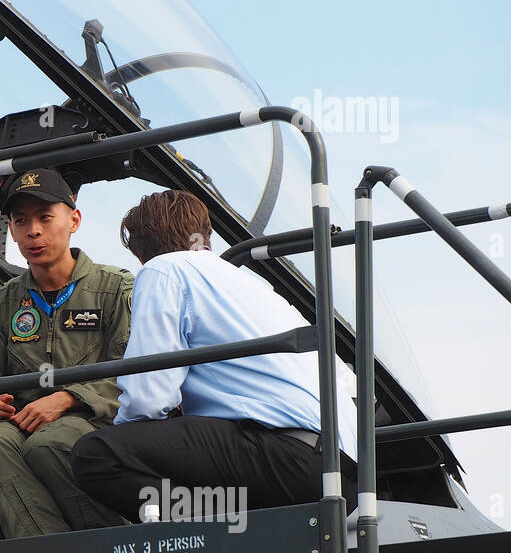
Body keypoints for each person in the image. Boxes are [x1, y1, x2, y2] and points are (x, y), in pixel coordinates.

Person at [70, 189, 358, 522]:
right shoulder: (248, 283)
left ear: (142, 252)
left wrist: (118, 433)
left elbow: (149, 397)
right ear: (205, 236)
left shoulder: (164, 270)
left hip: (288, 456)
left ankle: (204, 529)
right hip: (343, 475)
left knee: (97, 457)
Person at [0, 168, 135, 537]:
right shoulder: (1, 304)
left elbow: (132, 376)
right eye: (20, 221)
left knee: (49, 444)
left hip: (99, 420)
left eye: (45, 217)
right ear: (10, 229)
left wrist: (68, 399)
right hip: (24, 423)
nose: (33, 231)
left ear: (74, 220)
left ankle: (110, 544)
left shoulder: (115, 289)